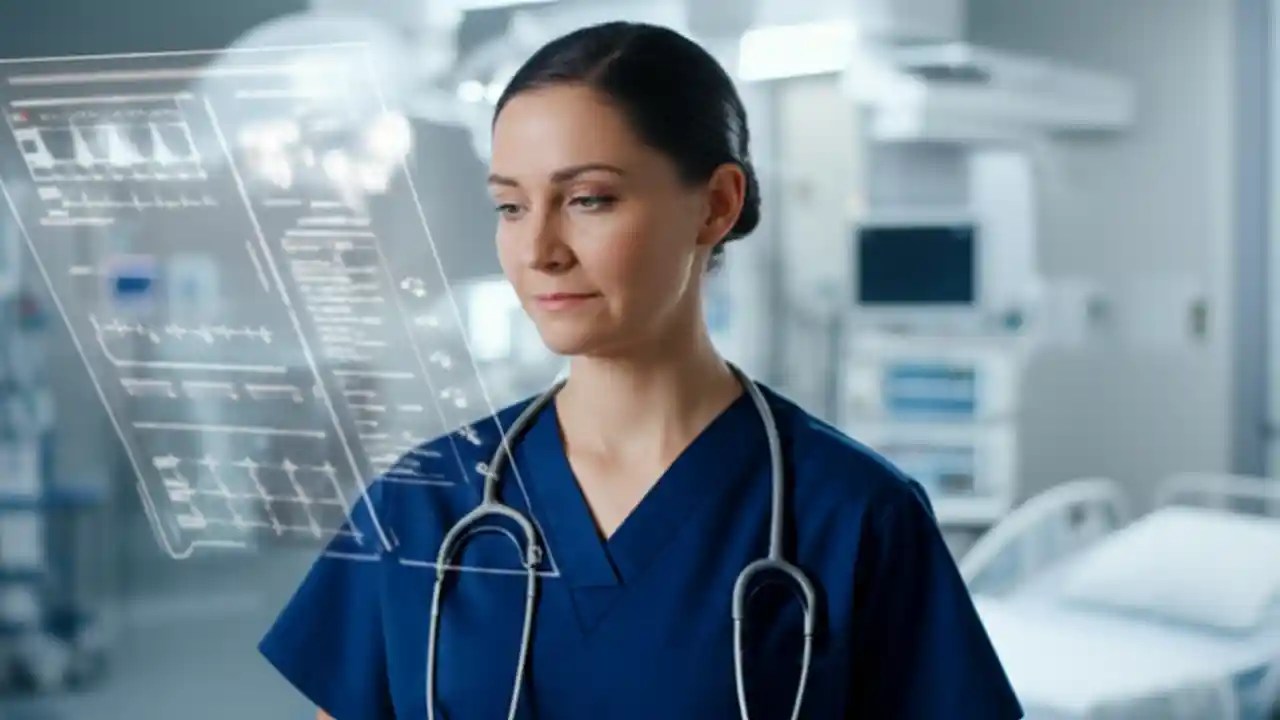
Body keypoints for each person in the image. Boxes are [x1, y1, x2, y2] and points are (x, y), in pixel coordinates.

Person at [260, 21, 1023, 719]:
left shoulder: (853, 517)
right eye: (511, 207)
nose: (539, 251)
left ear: (716, 206)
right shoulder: (420, 507)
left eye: (588, 199)